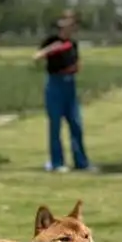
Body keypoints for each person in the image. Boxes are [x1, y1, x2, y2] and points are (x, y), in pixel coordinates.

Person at [34, 15, 95, 173]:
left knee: (76, 123)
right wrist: (51, 49)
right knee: (55, 125)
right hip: (55, 84)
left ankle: (81, 161)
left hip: (70, 84)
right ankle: (57, 162)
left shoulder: (73, 44)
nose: (70, 28)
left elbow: (76, 62)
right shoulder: (51, 41)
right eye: (67, 24)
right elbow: (37, 57)